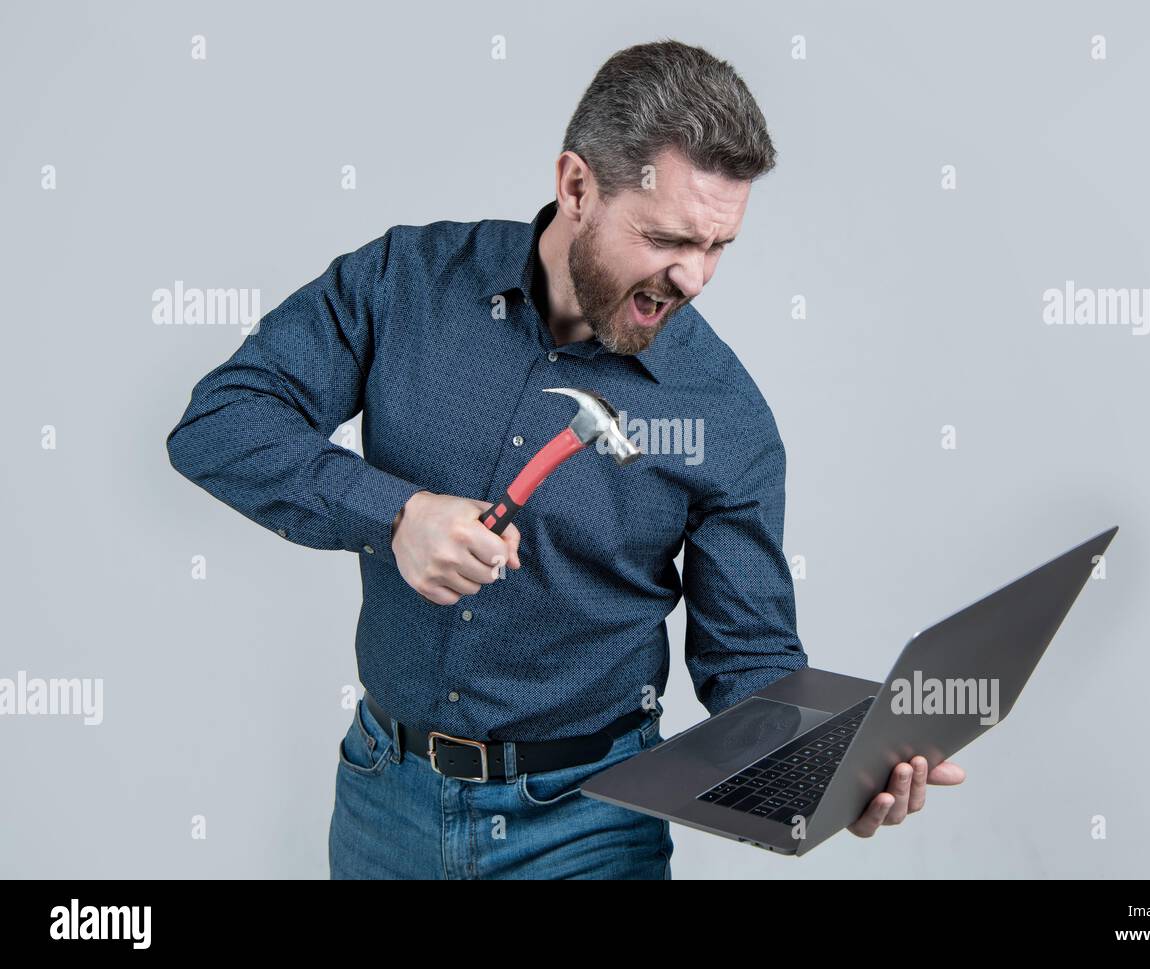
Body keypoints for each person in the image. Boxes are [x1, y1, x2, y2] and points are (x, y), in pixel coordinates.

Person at [166, 39, 963, 880]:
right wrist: (393, 514)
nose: (695, 277)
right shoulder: (406, 281)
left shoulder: (725, 414)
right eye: (668, 237)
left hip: (590, 825)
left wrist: (833, 760)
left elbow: (749, 663)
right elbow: (220, 420)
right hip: (382, 798)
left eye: (720, 245)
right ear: (577, 186)